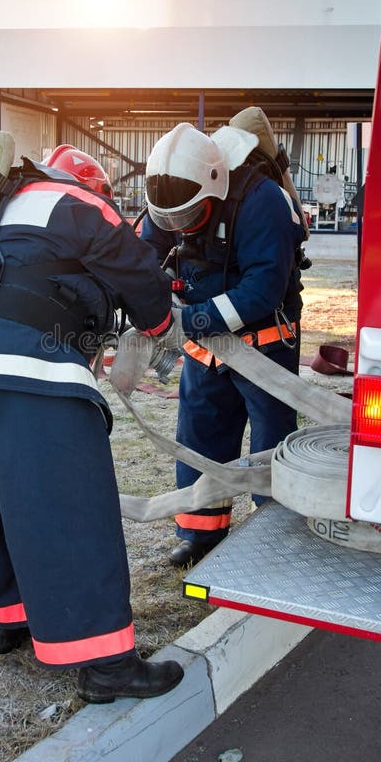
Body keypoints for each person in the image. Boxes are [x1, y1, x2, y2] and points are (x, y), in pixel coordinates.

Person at [0, 145, 184, 703]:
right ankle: (107, 664)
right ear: (96, 187)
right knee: (70, 507)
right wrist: (163, 325)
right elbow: (142, 279)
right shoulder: (79, 203)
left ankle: (9, 620)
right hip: (28, 365)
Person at [138, 122, 306, 568]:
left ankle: (273, 536)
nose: (178, 227)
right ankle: (200, 533)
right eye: (168, 218)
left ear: (214, 186)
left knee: (270, 443)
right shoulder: (170, 199)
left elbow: (263, 289)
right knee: (200, 438)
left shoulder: (262, 200)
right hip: (204, 349)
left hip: (264, 346)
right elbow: (144, 255)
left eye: (186, 217)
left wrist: (192, 319)